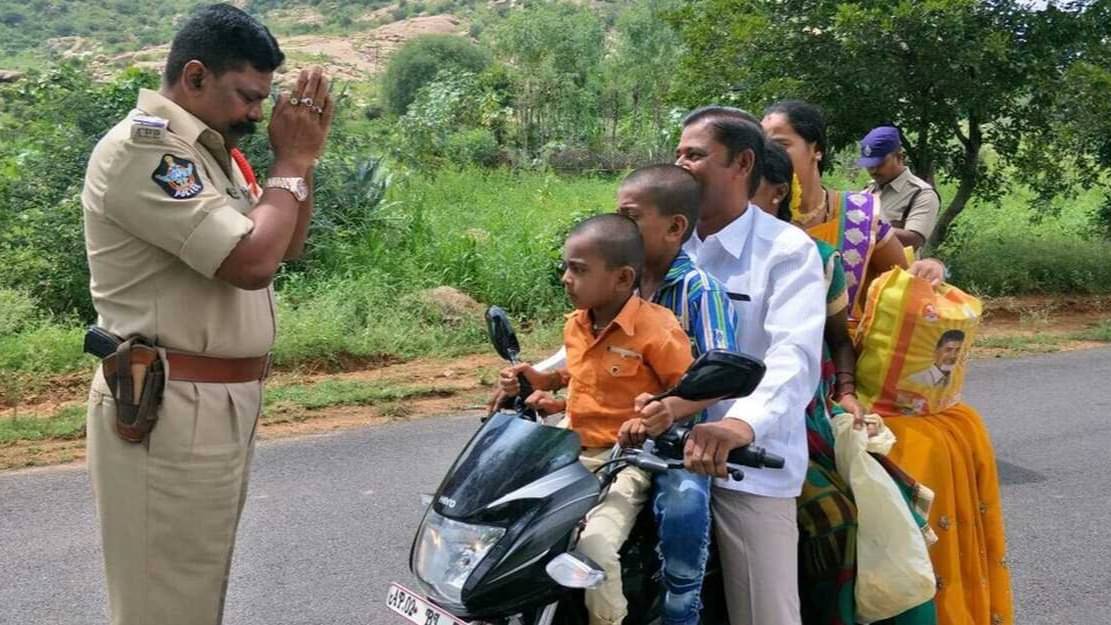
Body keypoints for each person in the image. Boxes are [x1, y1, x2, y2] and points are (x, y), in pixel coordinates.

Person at [81, 5, 333, 624]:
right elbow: (250, 262)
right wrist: (291, 164)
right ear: (194, 77)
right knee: (163, 602)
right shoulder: (146, 151)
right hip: (167, 400)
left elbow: (284, 243)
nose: (257, 112)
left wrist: (303, 163)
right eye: (247, 96)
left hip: (210, 401)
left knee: (194, 589)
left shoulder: (208, 150)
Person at [762, 102, 1012, 625]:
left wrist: (929, 269)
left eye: (782, 142)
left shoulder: (857, 216)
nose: (769, 152)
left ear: (816, 150)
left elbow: (901, 289)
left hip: (847, 374)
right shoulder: (746, 214)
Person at [501, 164, 742, 625]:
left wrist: (661, 412)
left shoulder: (694, 292)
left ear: (673, 228)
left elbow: (711, 378)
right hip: (579, 444)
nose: (566, 278)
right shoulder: (590, 310)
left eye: (630, 217)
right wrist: (543, 383)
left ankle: (679, 609)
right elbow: (584, 369)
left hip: (658, 442)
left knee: (682, 512)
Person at [756, 142, 937, 625]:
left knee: (849, 517)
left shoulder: (817, 253)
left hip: (803, 405)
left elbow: (842, 335)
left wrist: (847, 393)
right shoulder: (684, 253)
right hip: (717, 417)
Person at [673, 106, 827, 625]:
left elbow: (794, 355)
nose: (680, 165)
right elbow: (617, 313)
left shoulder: (786, 250)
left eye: (694, 155)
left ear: (741, 163)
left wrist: (740, 422)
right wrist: (550, 371)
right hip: (655, 447)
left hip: (744, 462)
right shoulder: (666, 237)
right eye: (677, 154)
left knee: (766, 613)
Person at [858, 125, 941, 251]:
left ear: (900, 157)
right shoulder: (868, 190)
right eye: (869, 165)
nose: (873, 170)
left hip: (896, 269)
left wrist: (867, 228)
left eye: (880, 164)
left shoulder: (921, 194)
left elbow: (914, 240)